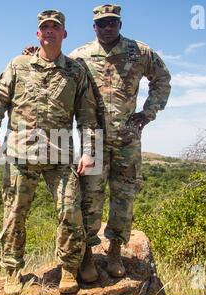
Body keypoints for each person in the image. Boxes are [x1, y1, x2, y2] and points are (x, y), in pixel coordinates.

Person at [0, 10, 98, 295]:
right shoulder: (18, 65)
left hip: (60, 156)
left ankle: (69, 269)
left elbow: (86, 116)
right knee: (14, 215)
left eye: (55, 28)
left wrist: (88, 152)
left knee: (70, 211)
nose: (49, 32)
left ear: (63, 34)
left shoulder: (76, 71)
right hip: (21, 155)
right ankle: (12, 271)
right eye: (44, 28)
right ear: (37, 33)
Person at [68, 4, 172, 278]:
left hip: (127, 139)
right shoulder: (80, 56)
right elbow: (56, 74)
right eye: (102, 23)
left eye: (112, 21)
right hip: (93, 141)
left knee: (124, 197)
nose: (107, 27)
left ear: (119, 23)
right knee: (89, 198)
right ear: (94, 26)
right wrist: (31, 54)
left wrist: (147, 114)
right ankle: (88, 255)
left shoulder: (139, 52)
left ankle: (114, 251)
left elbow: (162, 79)